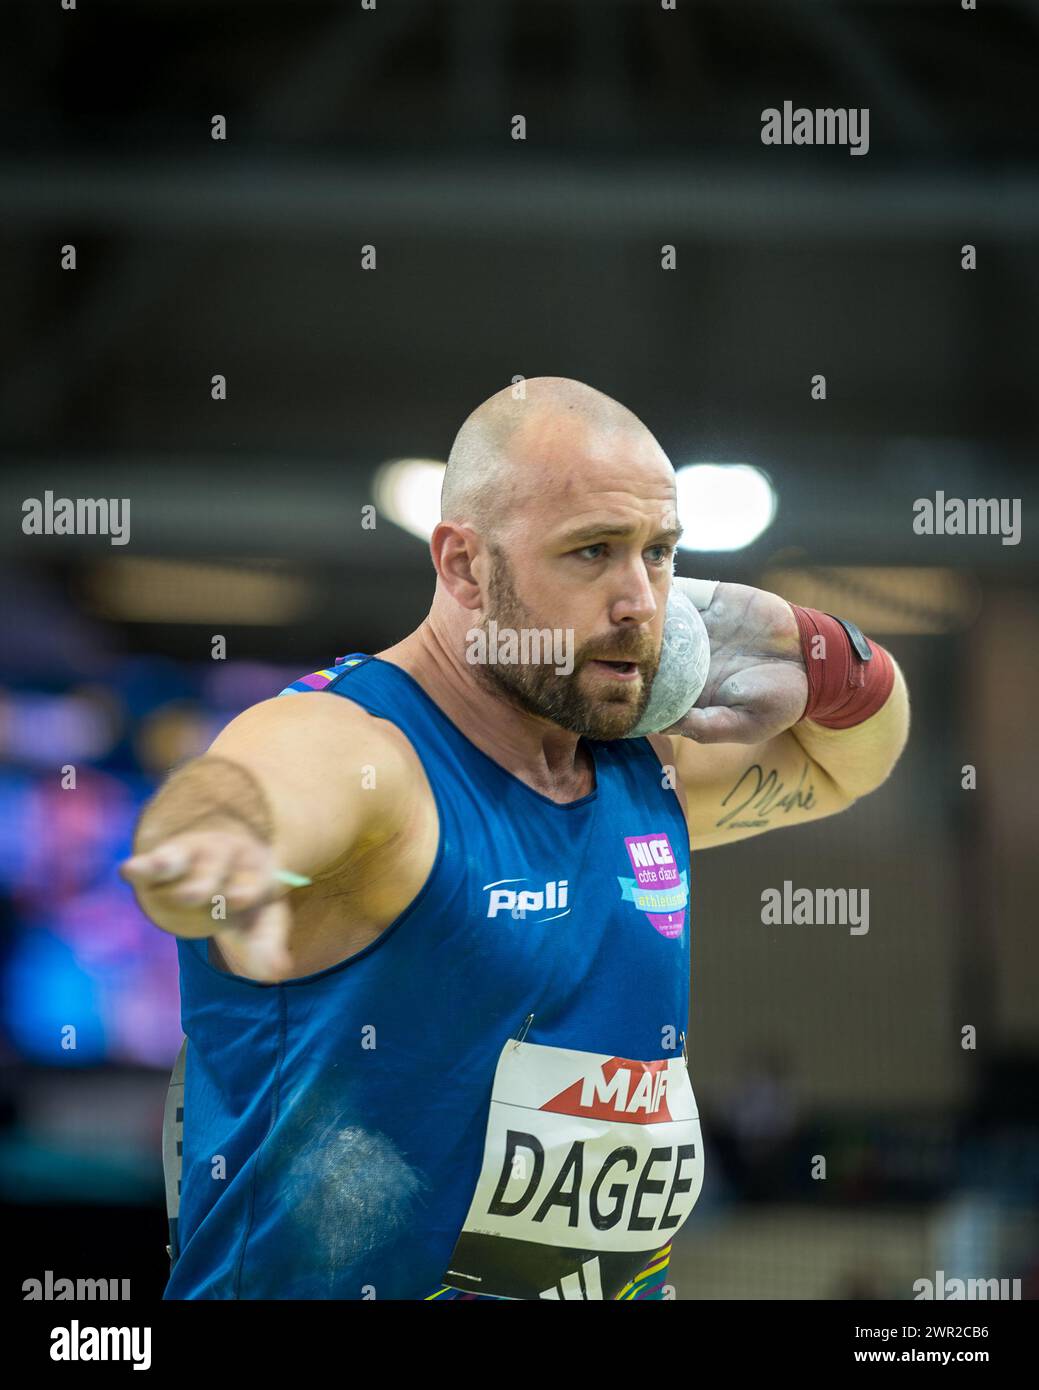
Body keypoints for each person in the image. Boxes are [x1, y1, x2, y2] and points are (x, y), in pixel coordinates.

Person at [121, 377, 909, 1300]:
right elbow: (264, 790)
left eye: (658, 554)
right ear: (462, 566)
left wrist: (808, 646)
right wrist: (223, 844)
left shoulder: (632, 768)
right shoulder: (372, 758)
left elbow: (850, 764)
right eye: (591, 552)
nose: (639, 603)